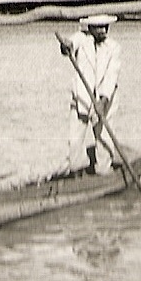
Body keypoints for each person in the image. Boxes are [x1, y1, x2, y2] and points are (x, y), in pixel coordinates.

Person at [60, 14, 122, 174]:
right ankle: (76, 172)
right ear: (90, 28)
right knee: (74, 142)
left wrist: (103, 100)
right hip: (82, 98)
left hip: (105, 101)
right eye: (98, 27)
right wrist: (66, 46)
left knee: (104, 140)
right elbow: (69, 44)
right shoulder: (82, 39)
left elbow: (111, 76)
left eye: (105, 27)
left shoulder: (114, 48)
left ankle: (104, 171)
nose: (102, 30)